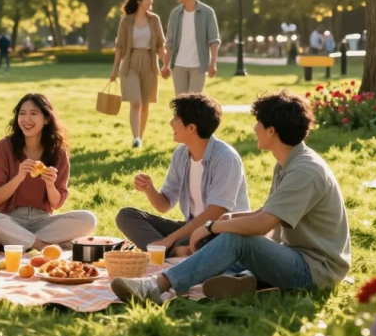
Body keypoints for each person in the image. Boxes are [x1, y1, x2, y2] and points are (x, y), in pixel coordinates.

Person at [111, 90, 350, 303]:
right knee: (226, 241)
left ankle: (155, 287)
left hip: (315, 271)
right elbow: (264, 211)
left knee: (233, 239)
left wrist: (213, 226)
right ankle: (247, 281)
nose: (254, 129)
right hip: (295, 256)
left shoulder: (303, 171)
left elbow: (263, 224)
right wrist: (224, 222)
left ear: (271, 130)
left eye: (258, 123)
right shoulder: (289, 162)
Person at [115, 93, 251, 256]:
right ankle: (178, 252)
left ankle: (171, 251)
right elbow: (164, 206)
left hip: (221, 232)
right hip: (192, 228)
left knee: (205, 241)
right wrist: (149, 189)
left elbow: (216, 213)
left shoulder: (226, 158)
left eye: (176, 118)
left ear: (192, 128)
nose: (171, 123)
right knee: (126, 216)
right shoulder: (181, 154)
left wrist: (170, 239)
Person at [0, 93, 98, 250]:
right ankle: (42, 245)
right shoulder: (4, 147)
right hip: (10, 217)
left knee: (88, 219)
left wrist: (50, 185)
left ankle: (14, 242)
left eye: (33, 113)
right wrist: (19, 177)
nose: (26, 119)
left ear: (46, 119)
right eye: (22, 113)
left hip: (42, 221)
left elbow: (57, 203)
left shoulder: (58, 152)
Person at [110, 0, 168, 149]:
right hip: (130, 63)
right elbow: (120, 47)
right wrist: (114, 70)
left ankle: (140, 138)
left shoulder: (154, 20)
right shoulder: (126, 21)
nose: (151, 1)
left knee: (145, 103)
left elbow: (159, 46)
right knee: (135, 102)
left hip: (150, 62)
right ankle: (135, 138)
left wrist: (166, 64)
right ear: (139, 1)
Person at [163, 0, 221, 95]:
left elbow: (214, 40)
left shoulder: (207, 12)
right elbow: (169, 42)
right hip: (178, 65)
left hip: (198, 66)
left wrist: (213, 64)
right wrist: (165, 65)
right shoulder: (175, 14)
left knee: (194, 103)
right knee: (180, 104)